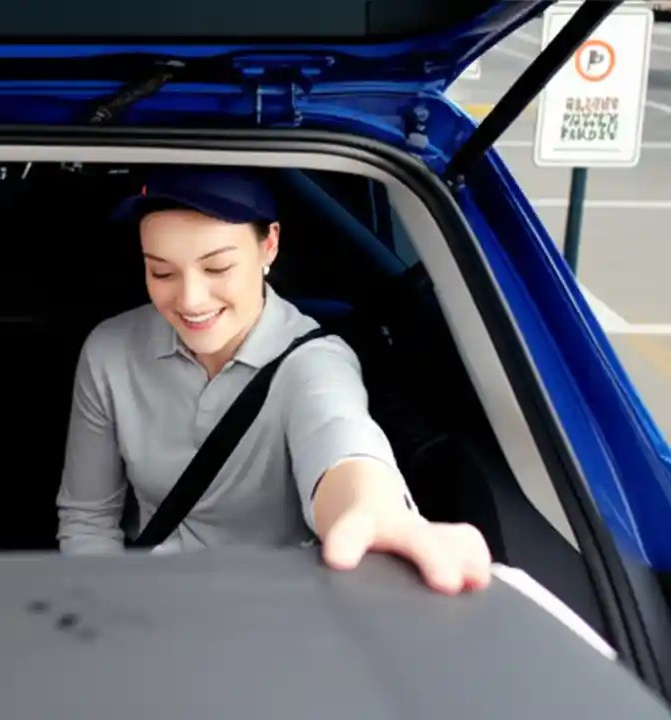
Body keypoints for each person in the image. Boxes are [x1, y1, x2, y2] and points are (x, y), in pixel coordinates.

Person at [55, 167, 492, 595]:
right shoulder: (111, 350)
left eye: (218, 268)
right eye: (162, 273)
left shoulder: (313, 361)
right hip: (147, 604)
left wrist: (374, 511)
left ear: (270, 246)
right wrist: (103, 610)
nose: (189, 299)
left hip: (277, 611)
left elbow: (341, 439)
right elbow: (88, 518)